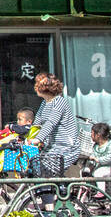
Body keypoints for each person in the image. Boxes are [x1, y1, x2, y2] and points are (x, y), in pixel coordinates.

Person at [30, 73, 80, 207]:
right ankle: (50, 205)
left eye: (38, 85)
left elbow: (51, 123)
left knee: (45, 171)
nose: (35, 88)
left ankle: (58, 205)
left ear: (46, 88)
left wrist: (38, 139)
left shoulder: (59, 102)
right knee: (37, 170)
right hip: (51, 147)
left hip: (66, 147)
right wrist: (23, 134)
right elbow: (37, 123)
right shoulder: (44, 103)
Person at [87, 122, 111, 194]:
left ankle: (101, 192)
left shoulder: (110, 145)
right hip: (97, 166)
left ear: (98, 135)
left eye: (92, 133)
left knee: (98, 173)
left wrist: (97, 159)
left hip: (109, 167)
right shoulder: (96, 146)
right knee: (85, 171)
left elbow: (109, 158)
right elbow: (93, 155)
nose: (91, 135)